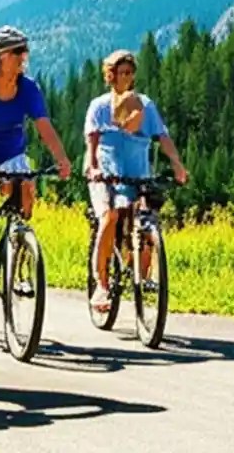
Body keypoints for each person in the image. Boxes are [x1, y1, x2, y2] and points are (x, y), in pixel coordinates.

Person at [83, 49, 187, 311]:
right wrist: (94, 168)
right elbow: (91, 144)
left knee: (147, 219)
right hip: (106, 173)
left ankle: (143, 274)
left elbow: (162, 137)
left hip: (137, 173)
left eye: (130, 72)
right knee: (110, 217)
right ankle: (101, 285)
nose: (126, 77)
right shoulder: (99, 106)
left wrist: (177, 165)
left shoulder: (144, 105)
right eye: (121, 73)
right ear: (111, 75)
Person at [0, 25, 72, 247]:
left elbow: (45, 128)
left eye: (24, 51)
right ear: (0, 57)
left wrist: (62, 159)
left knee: (25, 190)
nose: (23, 57)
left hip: (11, 151)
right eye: (17, 52)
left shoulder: (28, 88)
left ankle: (18, 242)